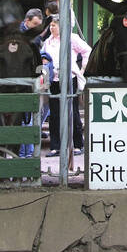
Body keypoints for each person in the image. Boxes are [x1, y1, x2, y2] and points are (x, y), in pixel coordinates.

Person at [42, 14, 91, 171]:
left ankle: (78, 144)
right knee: (54, 113)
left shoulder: (72, 38)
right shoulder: (48, 42)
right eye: (51, 25)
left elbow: (87, 51)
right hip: (53, 79)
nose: (52, 27)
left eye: (55, 25)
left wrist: (82, 69)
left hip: (69, 78)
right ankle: (55, 146)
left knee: (73, 111)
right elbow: (42, 56)